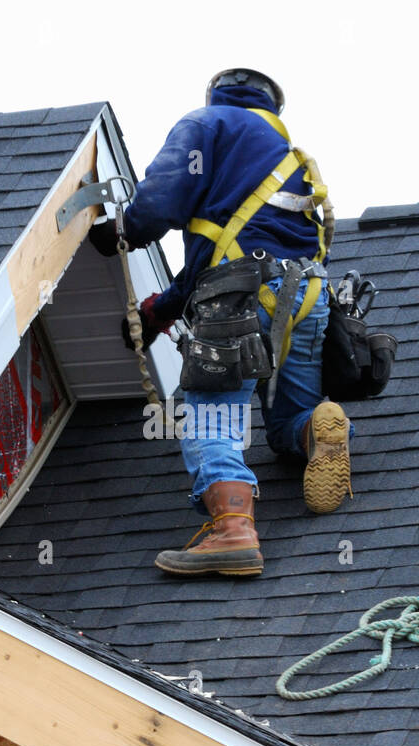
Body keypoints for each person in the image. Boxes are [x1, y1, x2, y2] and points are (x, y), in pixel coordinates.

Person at [89, 68, 352, 577]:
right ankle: (317, 433)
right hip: (307, 293)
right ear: (272, 106)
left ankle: (233, 529)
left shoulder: (207, 124)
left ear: (217, 94)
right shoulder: (287, 153)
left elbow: (163, 201)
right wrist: (159, 312)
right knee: (285, 421)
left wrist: (125, 230)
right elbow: (217, 257)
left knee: (213, 417)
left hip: (238, 298)